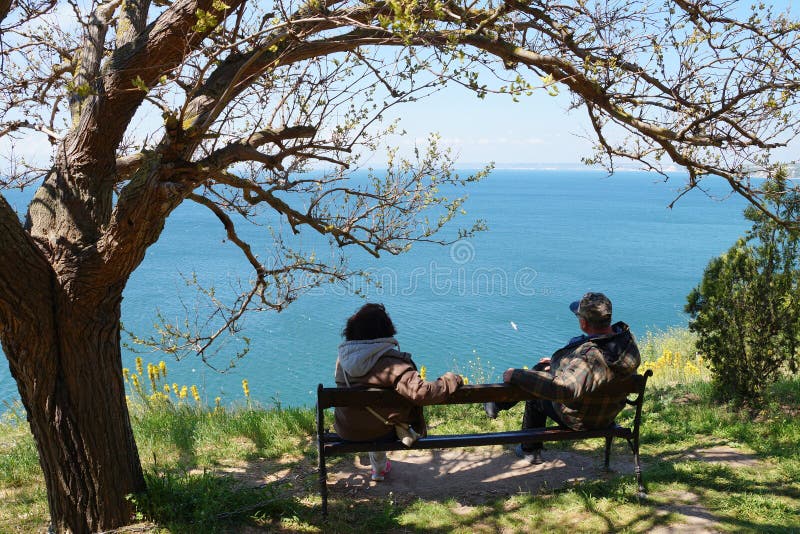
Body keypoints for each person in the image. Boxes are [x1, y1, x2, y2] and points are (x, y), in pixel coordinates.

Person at [485, 292, 640, 464]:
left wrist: (517, 375)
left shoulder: (591, 357)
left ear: (583, 323)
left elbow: (566, 389)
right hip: (607, 414)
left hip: (581, 418)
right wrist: (556, 365)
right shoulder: (626, 344)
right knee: (543, 370)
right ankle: (498, 404)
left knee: (536, 387)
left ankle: (530, 449)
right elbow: (599, 375)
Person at [334, 303, 463, 481]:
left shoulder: (343, 361)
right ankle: (379, 468)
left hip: (347, 429)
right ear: (386, 329)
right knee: (384, 419)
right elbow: (422, 393)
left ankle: (378, 469)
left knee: (367, 412)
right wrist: (451, 379)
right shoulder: (392, 363)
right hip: (381, 431)